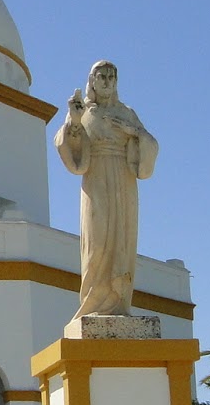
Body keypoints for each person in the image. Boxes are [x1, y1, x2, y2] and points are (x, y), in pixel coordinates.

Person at [54, 60, 158, 319]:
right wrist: (75, 123)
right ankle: (94, 304)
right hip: (96, 178)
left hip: (123, 181)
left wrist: (132, 132)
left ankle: (119, 303)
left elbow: (149, 146)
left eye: (112, 77)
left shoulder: (127, 113)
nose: (107, 81)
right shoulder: (83, 113)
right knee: (96, 243)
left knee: (122, 240)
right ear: (92, 80)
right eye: (102, 76)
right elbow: (68, 147)